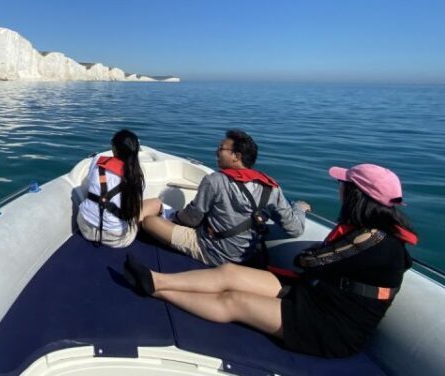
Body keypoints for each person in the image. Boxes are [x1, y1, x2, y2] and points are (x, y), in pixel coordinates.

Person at [124, 163, 418, 358]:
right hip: (317, 295)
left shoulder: (373, 238)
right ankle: (156, 278)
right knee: (229, 272)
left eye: (345, 184)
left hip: (332, 327)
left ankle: (156, 290)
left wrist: (316, 256)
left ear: (358, 195)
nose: (339, 187)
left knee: (234, 300)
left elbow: (308, 261)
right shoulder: (368, 231)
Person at [142, 129, 309, 266]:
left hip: (211, 251)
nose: (216, 151)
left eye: (221, 148)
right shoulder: (271, 187)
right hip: (245, 256)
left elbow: (191, 219)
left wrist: (173, 217)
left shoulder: (215, 181)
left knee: (150, 221)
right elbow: (295, 229)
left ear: (236, 156)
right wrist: (299, 209)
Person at [77, 129, 163, 248]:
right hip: (114, 238)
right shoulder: (135, 178)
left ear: (114, 149)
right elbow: (133, 209)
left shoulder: (97, 161)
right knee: (156, 203)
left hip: (84, 226)